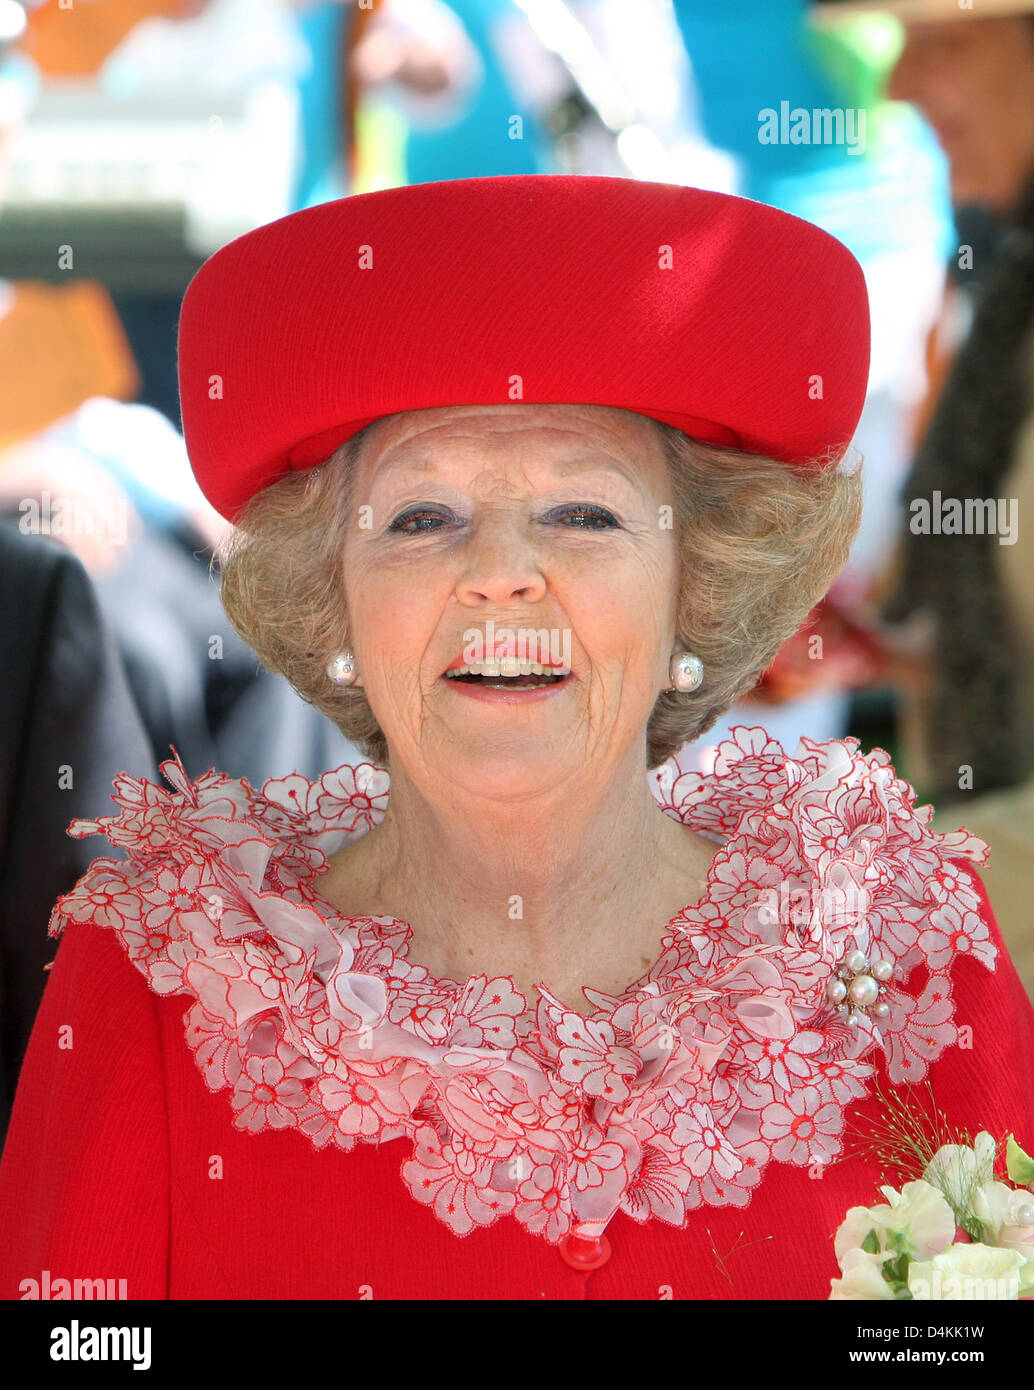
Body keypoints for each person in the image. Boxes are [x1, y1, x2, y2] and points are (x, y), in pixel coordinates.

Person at [1, 175, 1031, 1300]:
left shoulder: (896, 950)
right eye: (421, 517)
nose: (499, 572)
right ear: (331, 600)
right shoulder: (163, 977)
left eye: (583, 513)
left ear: (696, 586)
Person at [815, 0, 1034, 1000]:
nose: (898, 84)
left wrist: (854, 931)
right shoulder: (998, 287)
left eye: (942, 39)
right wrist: (887, 647)